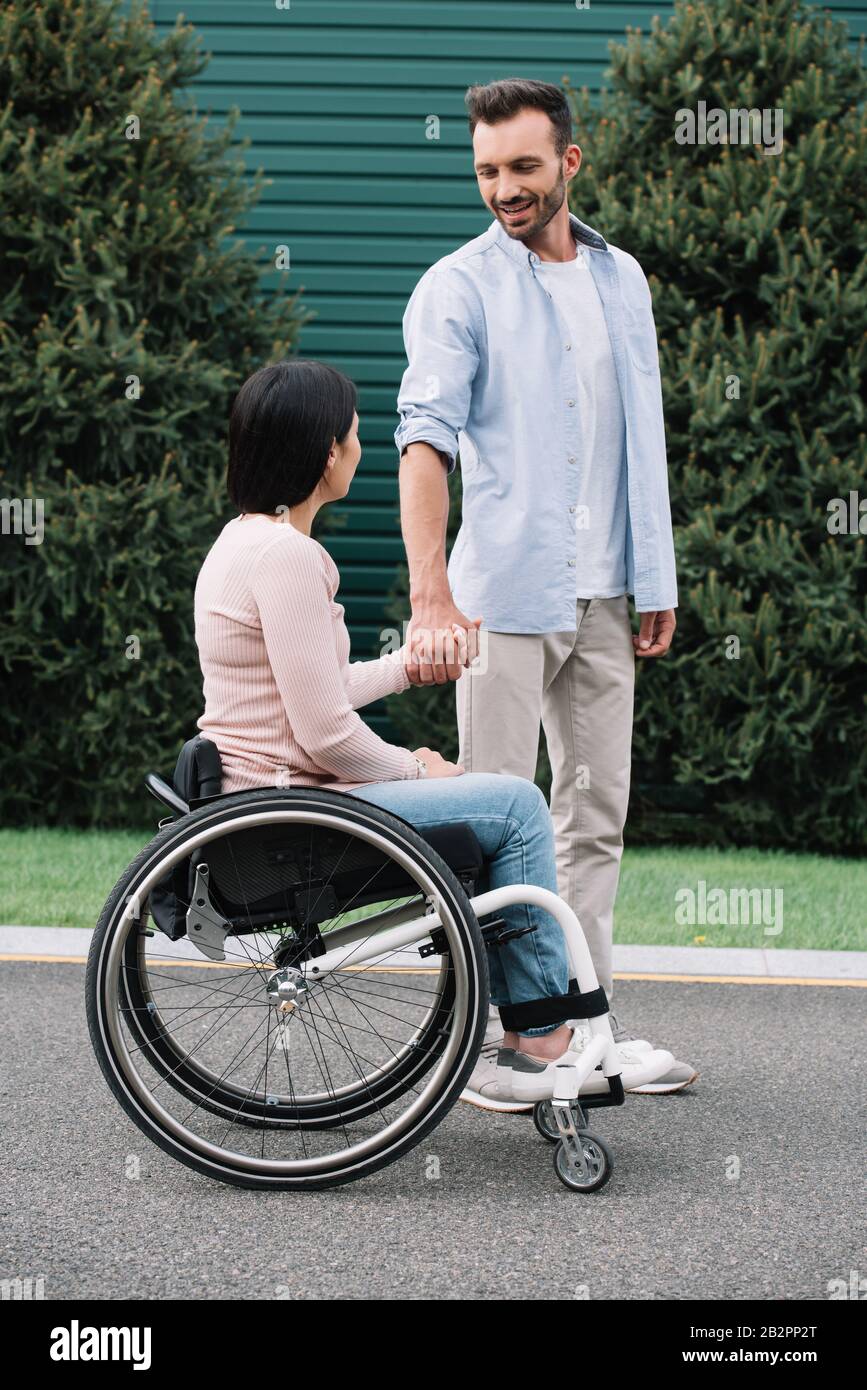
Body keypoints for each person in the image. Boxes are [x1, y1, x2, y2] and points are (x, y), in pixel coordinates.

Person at [193, 358, 675, 1107]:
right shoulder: (290, 558)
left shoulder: (243, 544)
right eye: (354, 434)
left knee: (492, 809)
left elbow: (313, 690)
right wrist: (414, 771)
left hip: (264, 804)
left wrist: (405, 670)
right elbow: (323, 731)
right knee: (516, 806)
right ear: (327, 452)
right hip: (290, 812)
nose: (359, 446)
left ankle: (525, 1037)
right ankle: (541, 1039)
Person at [395, 78, 698, 1098]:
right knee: (493, 830)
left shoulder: (625, 280)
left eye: (523, 167)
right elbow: (424, 440)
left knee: (594, 816)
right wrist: (431, 594)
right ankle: (503, 1039)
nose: (503, 189)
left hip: (608, 593)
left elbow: (639, 438)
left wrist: (653, 570)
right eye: (486, 170)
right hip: (504, 599)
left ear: (572, 160)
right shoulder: (458, 287)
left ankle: (587, 1026)